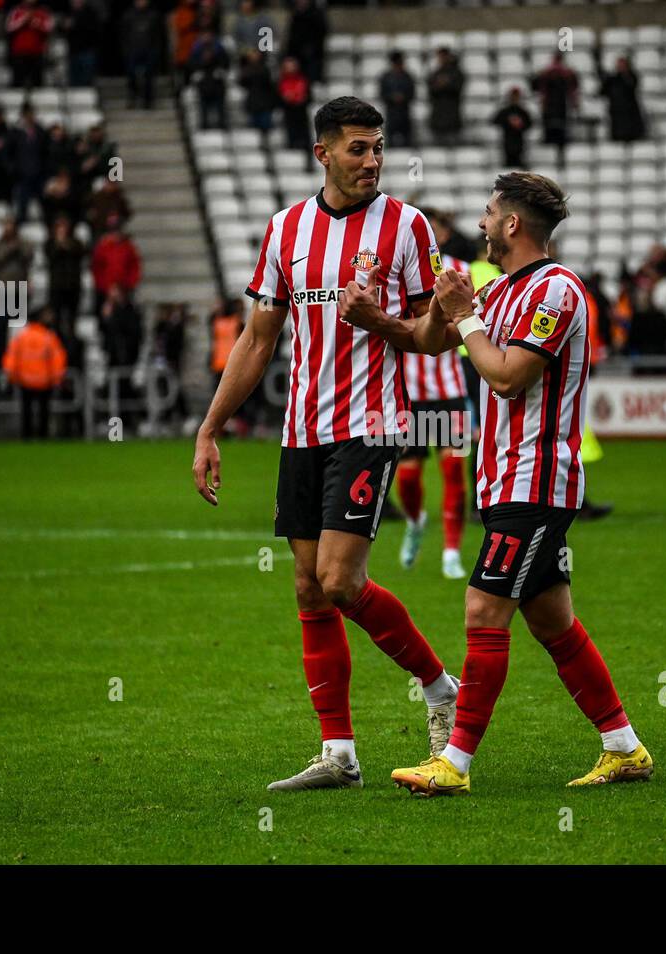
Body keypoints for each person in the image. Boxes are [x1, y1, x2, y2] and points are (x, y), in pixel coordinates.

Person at [190, 97, 461, 791]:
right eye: (358, 149)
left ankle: (438, 689)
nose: (372, 160)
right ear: (323, 153)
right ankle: (339, 754)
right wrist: (211, 426)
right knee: (311, 591)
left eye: (377, 147)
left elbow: (438, 334)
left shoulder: (407, 227)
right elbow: (258, 338)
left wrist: (381, 322)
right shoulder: (285, 229)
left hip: (370, 425)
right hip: (301, 430)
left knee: (342, 580)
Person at [382, 172, 652, 795]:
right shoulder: (501, 291)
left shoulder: (557, 292)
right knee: (552, 620)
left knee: (482, 608)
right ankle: (624, 747)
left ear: (511, 224)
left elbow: (506, 378)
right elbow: (432, 341)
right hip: (506, 481)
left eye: (488, 213)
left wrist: (466, 318)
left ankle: (454, 763)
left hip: (536, 482)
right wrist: (383, 312)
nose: (479, 223)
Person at [396, 246, 471, 580]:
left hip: (449, 393)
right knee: (408, 477)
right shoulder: (395, 271)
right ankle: (415, 522)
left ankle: (451, 552)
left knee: (454, 470)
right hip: (408, 396)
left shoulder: (458, 270)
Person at [2, 306, 67, 440]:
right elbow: (58, 359)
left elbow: (11, 358)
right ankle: (43, 437)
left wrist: (12, 377)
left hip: (25, 381)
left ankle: (26, 437)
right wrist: (57, 379)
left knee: (26, 412)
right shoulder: (48, 337)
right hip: (44, 381)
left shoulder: (21, 337)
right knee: (44, 412)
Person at [122, 0, 166, 110]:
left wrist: (156, 51)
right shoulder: (128, 15)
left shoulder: (154, 16)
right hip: (133, 51)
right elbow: (123, 35)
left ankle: (148, 101)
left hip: (149, 50)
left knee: (149, 76)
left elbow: (158, 35)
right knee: (131, 75)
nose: (141, 2)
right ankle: (132, 98)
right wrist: (126, 50)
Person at [597, 56, 646, 142]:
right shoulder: (613, 79)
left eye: (622, 65)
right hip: (616, 115)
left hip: (630, 116)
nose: (620, 67)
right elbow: (603, 91)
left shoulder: (631, 77)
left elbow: (632, 85)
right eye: (619, 65)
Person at [6, 0, 52, 90]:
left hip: (37, 53)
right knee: (18, 82)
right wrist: (23, 20)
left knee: (37, 82)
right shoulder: (16, 11)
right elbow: (9, 28)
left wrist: (36, 24)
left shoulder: (42, 12)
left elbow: (48, 29)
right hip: (19, 53)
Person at [426, 47, 464, 147]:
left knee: (454, 148)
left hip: (452, 115)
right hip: (438, 115)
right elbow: (430, 90)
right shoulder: (435, 73)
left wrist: (446, 84)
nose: (441, 59)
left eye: (443, 56)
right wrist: (440, 85)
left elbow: (457, 88)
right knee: (438, 151)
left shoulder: (456, 73)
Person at [379, 51, 416, 148]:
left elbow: (412, 94)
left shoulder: (407, 77)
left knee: (407, 143)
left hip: (404, 114)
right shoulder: (386, 77)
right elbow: (382, 95)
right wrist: (392, 97)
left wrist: (403, 98)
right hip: (391, 114)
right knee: (390, 143)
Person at [493, 87, 532, 168]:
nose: (515, 99)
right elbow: (495, 121)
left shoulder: (522, 111)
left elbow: (529, 124)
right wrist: (508, 123)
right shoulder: (505, 111)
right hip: (507, 141)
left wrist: (520, 124)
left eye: (516, 97)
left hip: (519, 141)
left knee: (518, 159)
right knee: (508, 162)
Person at [277, 55, 310, 150]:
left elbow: (308, 96)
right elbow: (278, 98)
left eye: (292, 66)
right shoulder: (280, 82)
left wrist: (302, 98)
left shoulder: (303, 80)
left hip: (301, 112)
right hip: (289, 113)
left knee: (304, 135)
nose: (291, 68)